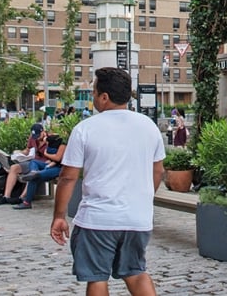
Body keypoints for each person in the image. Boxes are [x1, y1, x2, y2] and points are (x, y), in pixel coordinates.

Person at [51, 66, 165, 296]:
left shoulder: (85, 129)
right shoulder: (148, 127)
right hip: (137, 219)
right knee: (136, 272)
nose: (92, 96)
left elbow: (67, 178)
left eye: (94, 92)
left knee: (96, 277)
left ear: (104, 97)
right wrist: (143, 200)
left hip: (98, 219)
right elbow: (158, 171)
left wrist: (59, 216)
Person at [14, 131, 67, 210]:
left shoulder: (63, 144)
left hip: (60, 168)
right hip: (52, 164)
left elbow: (57, 158)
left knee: (34, 178)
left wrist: (46, 154)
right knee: (33, 162)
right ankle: (34, 171)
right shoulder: (50, 140)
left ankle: (27, 202)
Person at [0, 122, 46, 205]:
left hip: (44, 163)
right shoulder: (33, 138)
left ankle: (22, 197)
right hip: (33, 161)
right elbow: (27, 150)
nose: (37, 138)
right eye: (35, 136)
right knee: (14, 168)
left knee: (32, 173)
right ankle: (6, 196)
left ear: (43, 132)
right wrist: (19, 154)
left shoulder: (49, 139)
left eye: (38, 136)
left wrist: (45, 142)